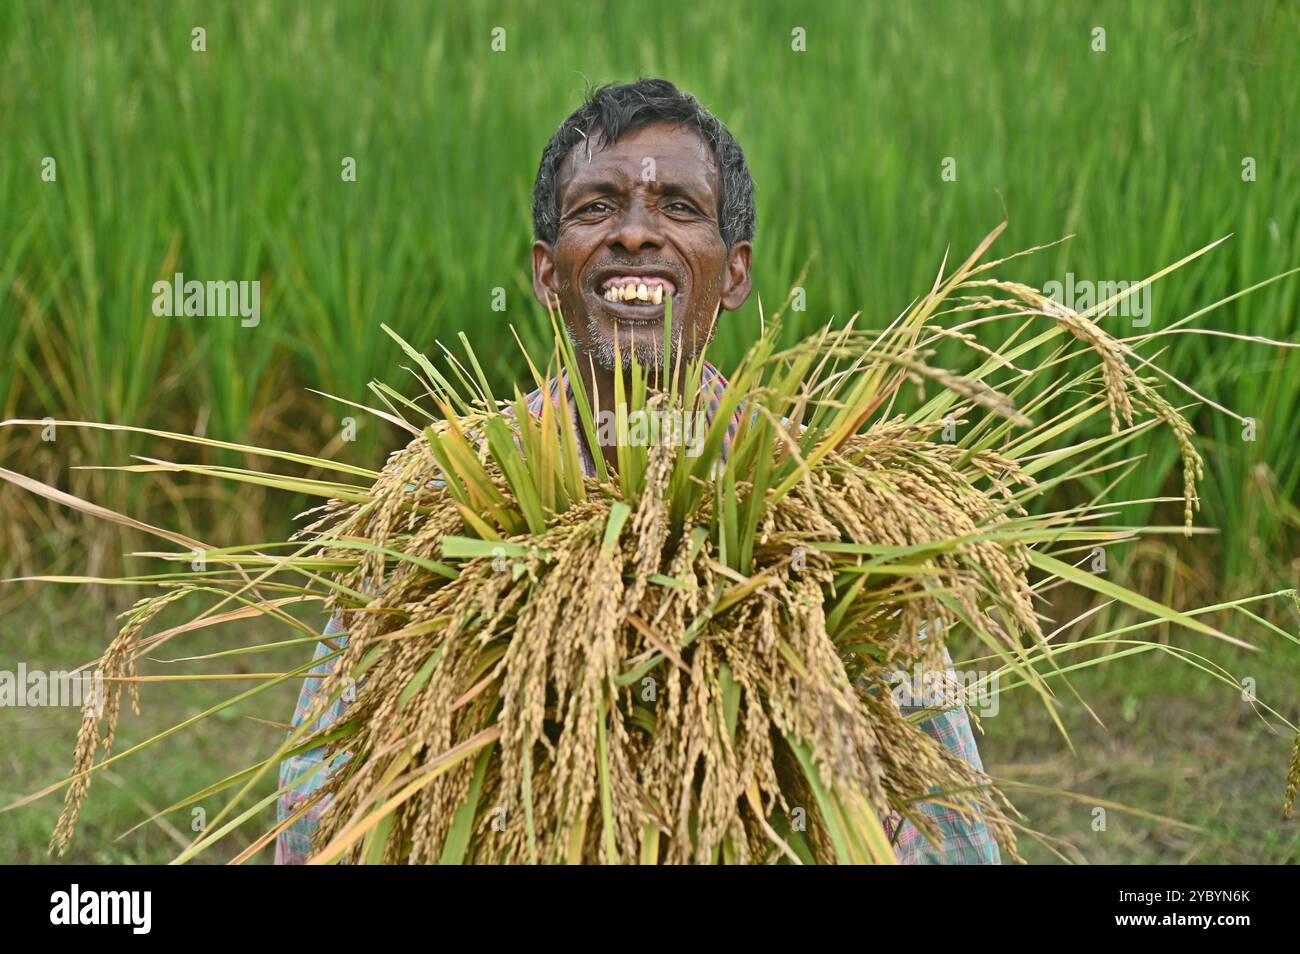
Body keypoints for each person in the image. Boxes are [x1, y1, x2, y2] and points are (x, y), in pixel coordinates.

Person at [277, 77, 1000, 865]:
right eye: (596, 207)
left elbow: (947, 810)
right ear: (549, 273)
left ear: (733, 275)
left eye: (680, 209)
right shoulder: (446, 499)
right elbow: (321, 795)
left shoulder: (823, 506)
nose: (634, 235)